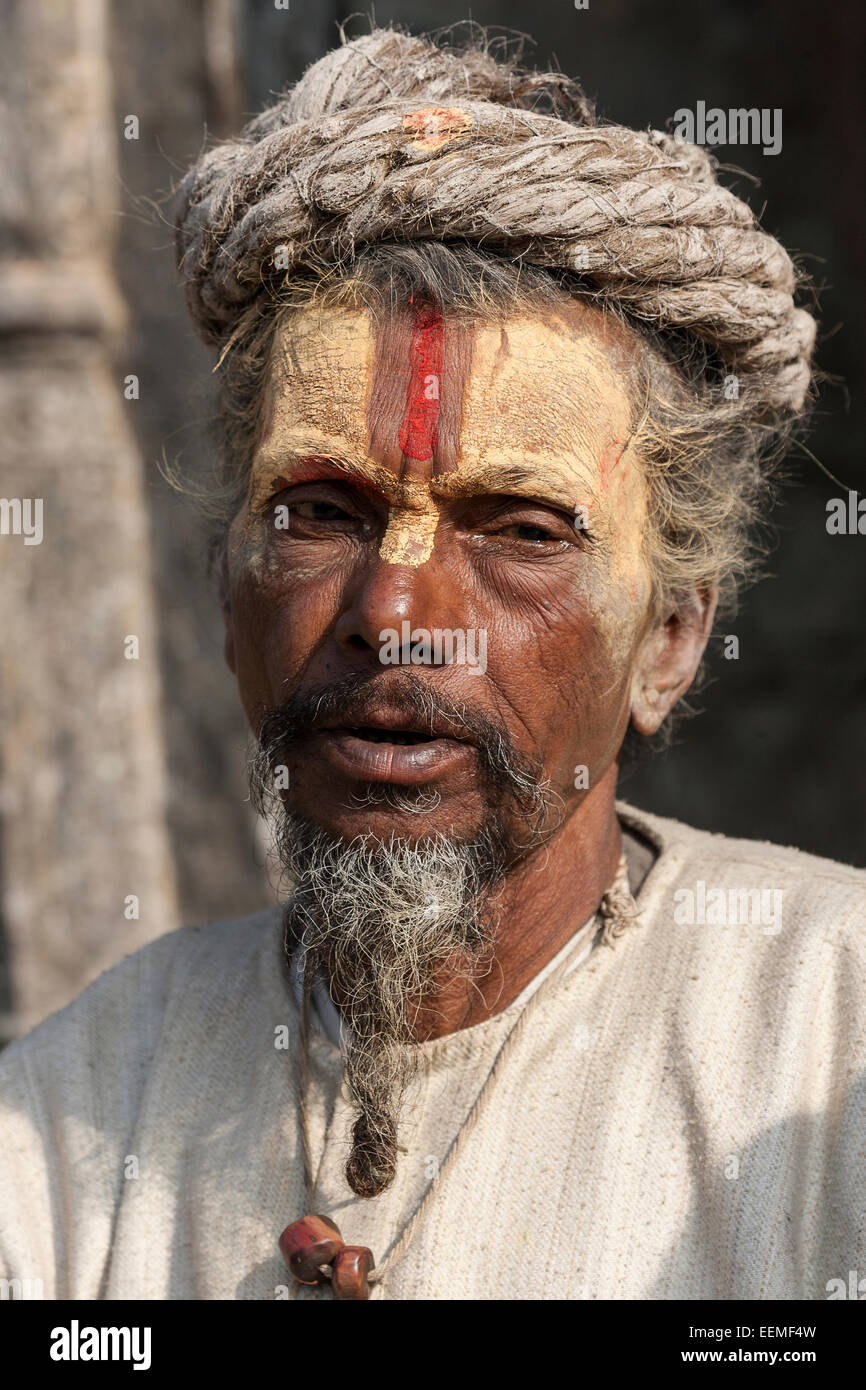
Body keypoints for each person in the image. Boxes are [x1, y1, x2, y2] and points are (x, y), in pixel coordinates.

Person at [1, 26, 863, 1301]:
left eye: (520, 531)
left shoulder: (825, 1042)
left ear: (667, 641)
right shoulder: (71, 1113)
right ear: (222, 592)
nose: (395, 612)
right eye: (318, 511)